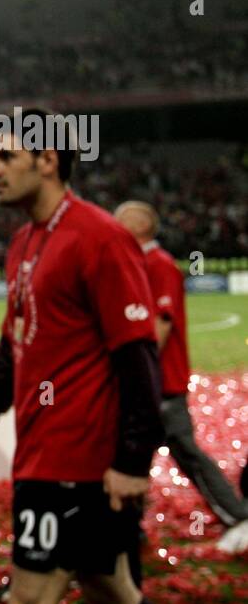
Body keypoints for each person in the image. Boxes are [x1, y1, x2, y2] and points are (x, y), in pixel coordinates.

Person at [0, 114, 219, 604]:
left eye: (5, 156)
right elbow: (13, 347)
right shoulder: (23, 242)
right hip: (43, 456)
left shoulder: (98, 237)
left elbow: (139, 358)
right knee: (115, 595)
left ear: (47, 159)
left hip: (79, 465)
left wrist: (130, 460)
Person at [114, 200, 248, 555]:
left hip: (161, 384)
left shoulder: (158, 265)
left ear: (138, 227)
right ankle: (128, 529)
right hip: (151, 384)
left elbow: (160, 325)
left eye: (119, 224)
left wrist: (131, 368)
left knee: (185, 453)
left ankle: (238, 516)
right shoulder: (142, 263)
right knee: (133, 456)